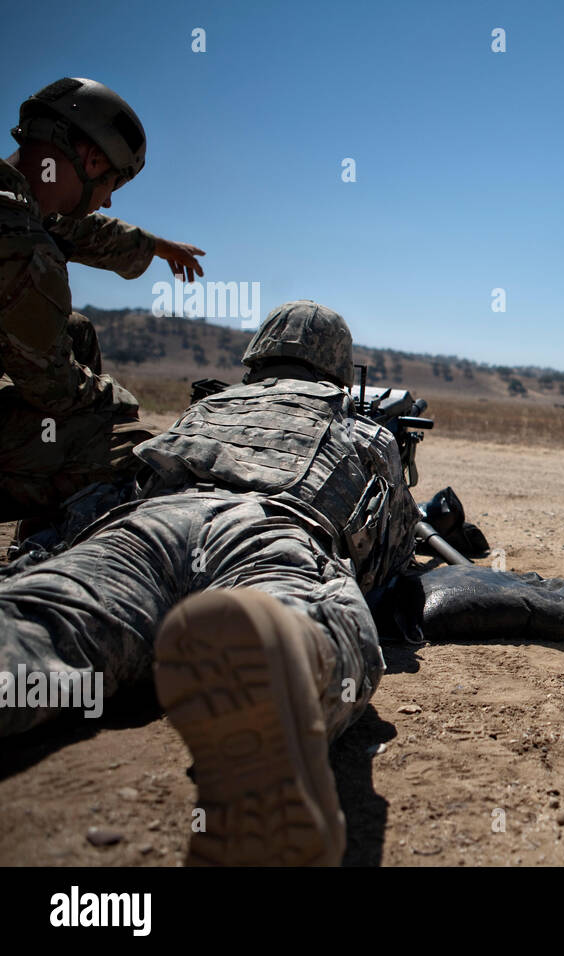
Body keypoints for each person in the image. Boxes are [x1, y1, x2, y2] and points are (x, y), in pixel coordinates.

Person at [0, 301, 420, 866]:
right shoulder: (364, 432)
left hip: (150, 524)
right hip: (272, 530)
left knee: (46, 617)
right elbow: (387, 562)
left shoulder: (208, 408)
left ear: (258, 357)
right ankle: (284, 665)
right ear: (339, 369)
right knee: (307, 620)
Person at [0, 76, 206, 524]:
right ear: (91, 159)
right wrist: (118, 402)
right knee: (132, 450)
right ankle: (52, 568)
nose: (108, 200)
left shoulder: (16, 202)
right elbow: (54, 389)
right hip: (48, 388)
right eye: (111, 183)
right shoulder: (22, 246)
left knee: (75, 331)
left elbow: (84, 231)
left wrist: (155, 246)